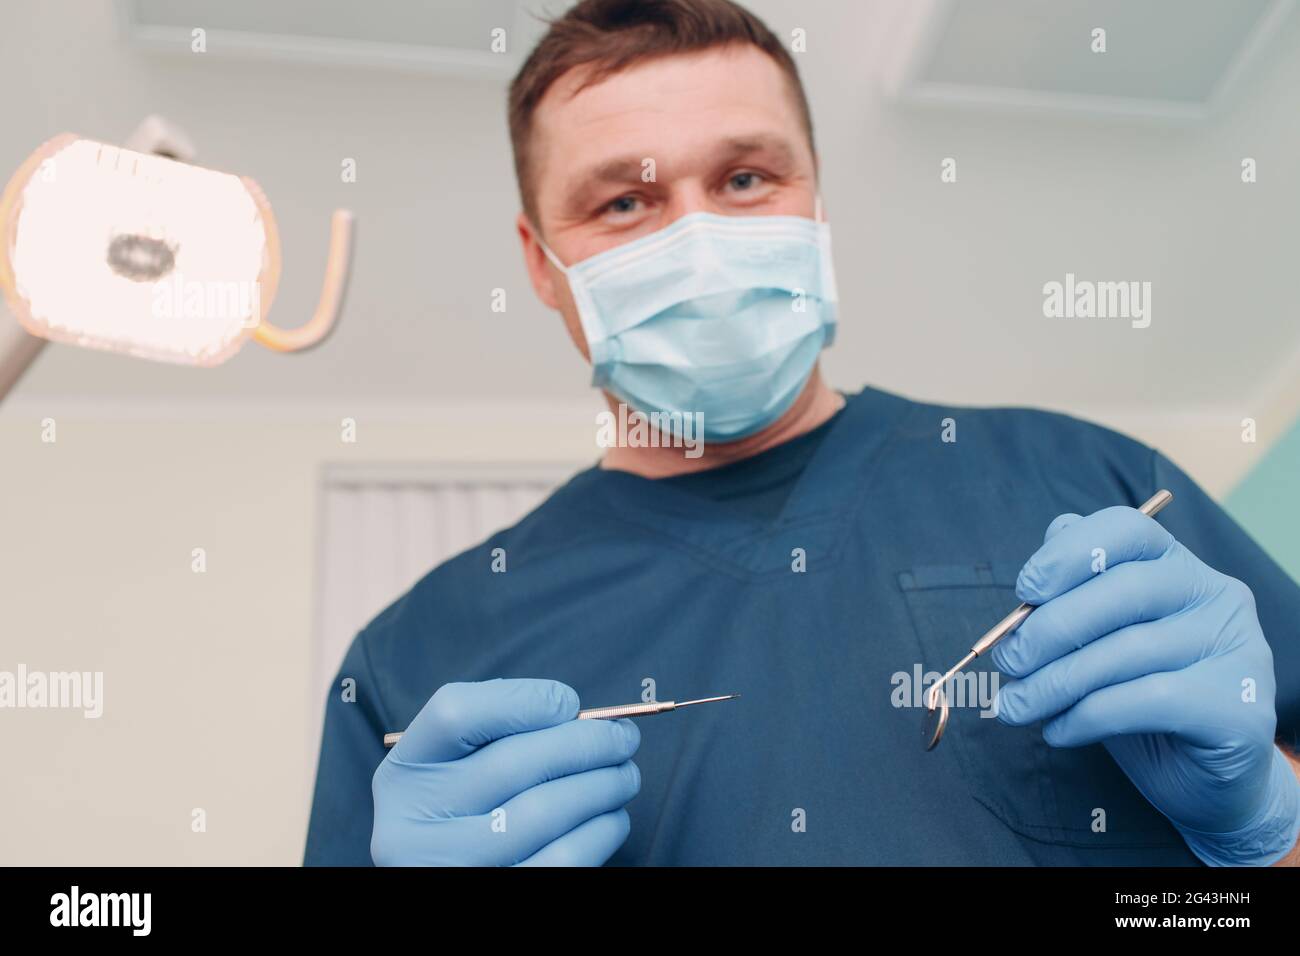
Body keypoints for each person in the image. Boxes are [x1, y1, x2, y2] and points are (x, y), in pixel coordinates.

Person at [304, 0, 1300, 866]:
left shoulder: (1085, 478)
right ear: (537, 261)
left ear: (814, 204)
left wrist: (1263, 819)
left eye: (744, 180)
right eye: (624, 200)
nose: (696, 243)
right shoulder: (417, 657)